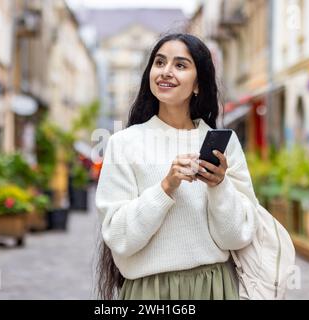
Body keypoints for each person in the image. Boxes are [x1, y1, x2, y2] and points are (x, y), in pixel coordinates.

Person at [95, 33, 259, 300]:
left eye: (180, 65)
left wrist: (219, 186)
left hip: (213, 288)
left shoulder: (222, 145)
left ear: (198, 85)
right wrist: (165, 187)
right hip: (149, 292)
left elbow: (237, 237)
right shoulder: (123, 143)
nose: (166, 72)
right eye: (159, 63)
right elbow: (118, 236)